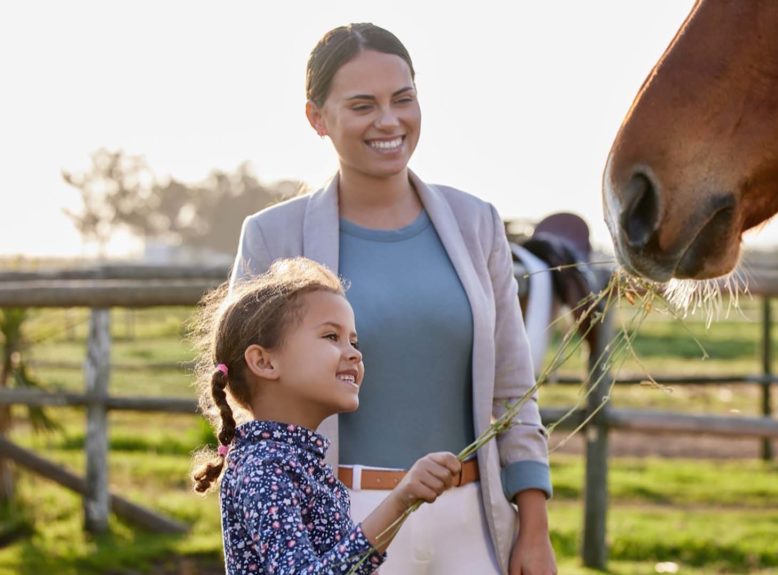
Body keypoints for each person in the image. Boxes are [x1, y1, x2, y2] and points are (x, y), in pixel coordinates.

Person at [230, 22, 557, 575]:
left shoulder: (476, 223)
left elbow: (513, 389)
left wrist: (534, 525)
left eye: (403, 99)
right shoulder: (272, 237)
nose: (389, 121)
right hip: (344, 523)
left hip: (473, 523)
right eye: (363, 105)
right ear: (317, 118)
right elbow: (251, 395)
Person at [191, 257, 462, 574]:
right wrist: (400, 500)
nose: (355, 353)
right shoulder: (264, 467)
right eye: (331, 337)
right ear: (264, 362)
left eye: (353, 340)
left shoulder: (295, 458)